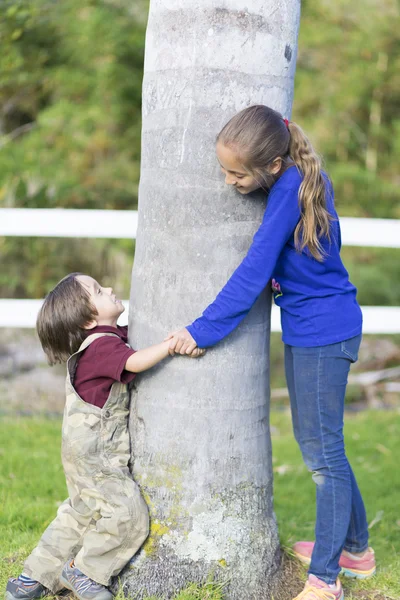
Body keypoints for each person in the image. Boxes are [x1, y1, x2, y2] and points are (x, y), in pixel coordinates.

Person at [166, 105, 376, 600]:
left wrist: (203, 330)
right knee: (323, 448)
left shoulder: (288, 191)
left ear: (272, 166)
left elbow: (255, 269)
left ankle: (326, 580)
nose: (228, 182)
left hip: (324, 334)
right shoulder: (298, 177)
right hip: (318, 329)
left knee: (323, 458)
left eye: (237, 173)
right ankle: (356, 550)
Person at [6, 273, 204, 600]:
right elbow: (136, 361)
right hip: (98, 457)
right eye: (99, 291)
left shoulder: (104, 340)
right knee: (128, 515)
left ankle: (32, 578)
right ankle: (85, 572)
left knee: (80, 513)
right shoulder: (103, 346)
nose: (109, 289)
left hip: (79, 451)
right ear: (87, 319)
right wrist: (172, 346)